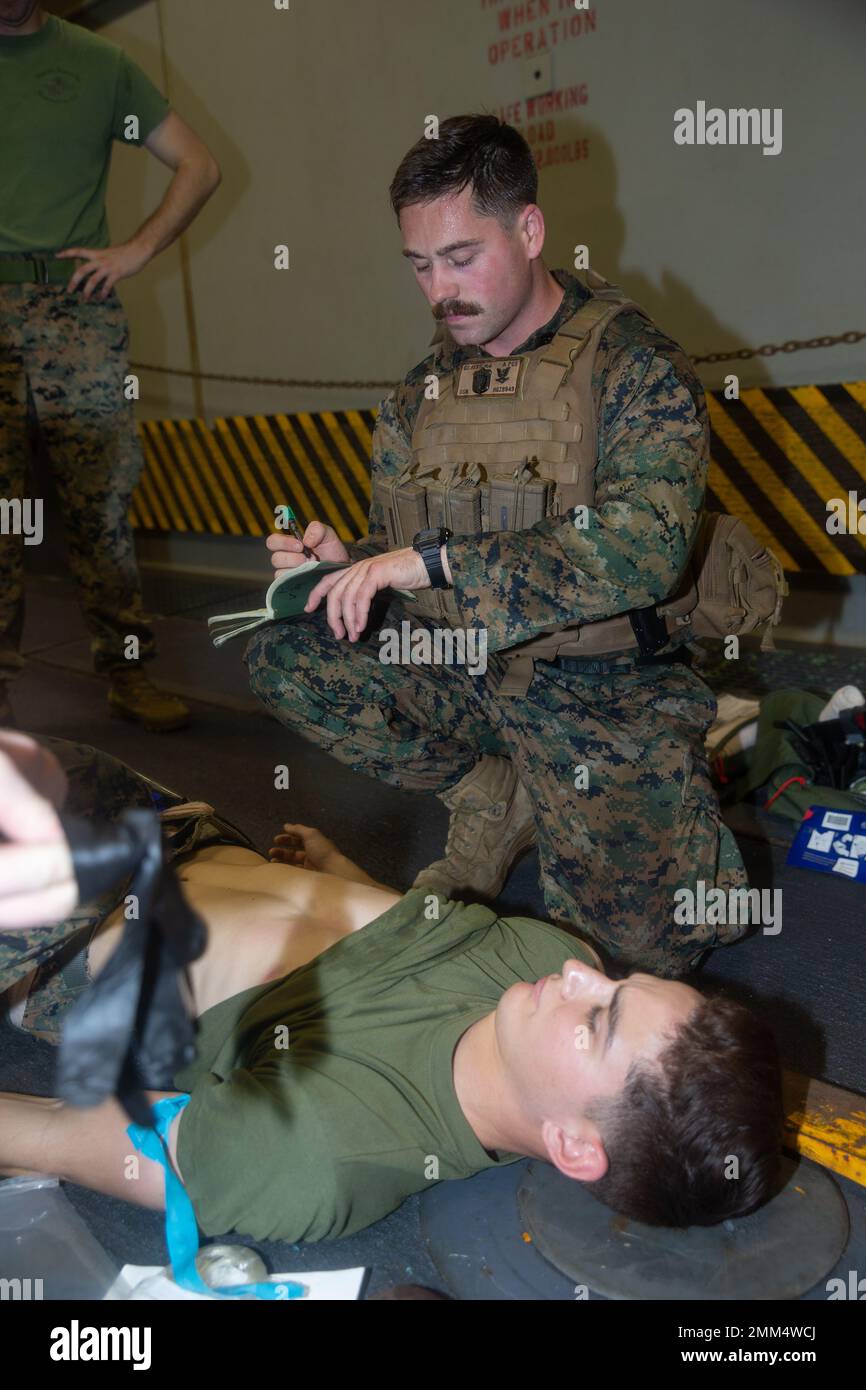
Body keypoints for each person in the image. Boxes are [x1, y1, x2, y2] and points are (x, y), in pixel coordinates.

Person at [244, 113, 749, 980]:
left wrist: (432, 565)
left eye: (461, 257)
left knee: (635, 956)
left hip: (607, 686)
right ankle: (492, 797)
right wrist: (351, 564)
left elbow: (641, 551)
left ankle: (683, 840)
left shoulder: (634, 367)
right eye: (419, 265)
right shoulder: (421, 393)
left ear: (529, 229)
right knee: (291, 653)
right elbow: (409, 542)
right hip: (472, 668)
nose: (440, 289)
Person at [0, 733, 783, 1241]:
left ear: (575, 1144)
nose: (582, 973)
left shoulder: (321, 1153)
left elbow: (52, 1135)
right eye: (616, 980)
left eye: (598, 1020)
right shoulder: (546, 958)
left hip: (54, 928)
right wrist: (343, 878)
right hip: (177, 822)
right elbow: (419, 936)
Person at [0, 0, 221, 730]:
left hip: (77, 310)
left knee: (102, 507)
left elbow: (199, 164)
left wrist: (135, 251)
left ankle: (128, 672)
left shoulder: (100, 67)